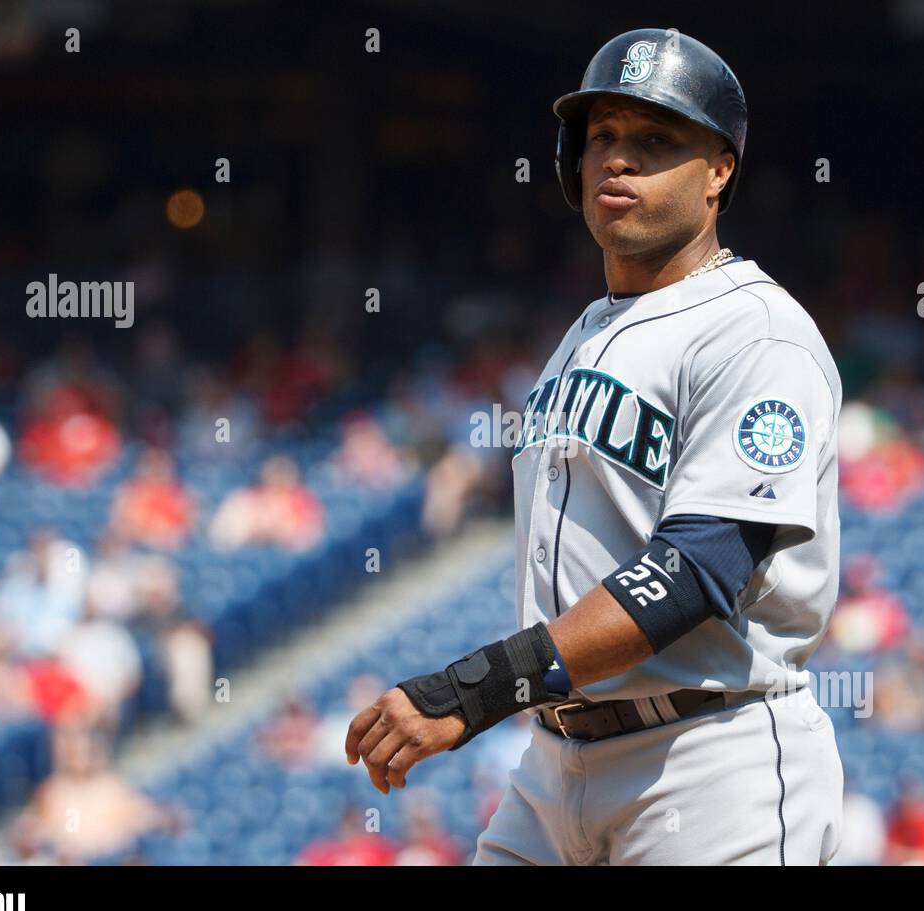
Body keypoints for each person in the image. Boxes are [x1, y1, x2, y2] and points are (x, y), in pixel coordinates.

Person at [346, 29, 844, 865]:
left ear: (720, 169)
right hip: (556, 763)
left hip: (710, 764)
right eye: (602, 137)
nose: (618, 160)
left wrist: (474, 689)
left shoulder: (760, 333)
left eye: (656, 141)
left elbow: (698, 569)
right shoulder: (583, 333)